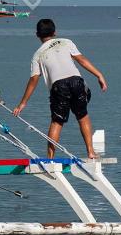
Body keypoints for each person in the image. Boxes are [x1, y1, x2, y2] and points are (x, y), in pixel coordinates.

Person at [11, 18, 107, 159]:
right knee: (83, 116)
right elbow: (81, 60)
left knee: (57, 121)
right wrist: (99, 75)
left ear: (37, 35)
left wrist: (22, 103)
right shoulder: (66, 42)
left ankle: (50, 158)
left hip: (59, 86)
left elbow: (34, 79)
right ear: (55, 32)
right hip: (76, 81)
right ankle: (91, 152)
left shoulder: (37, 55)